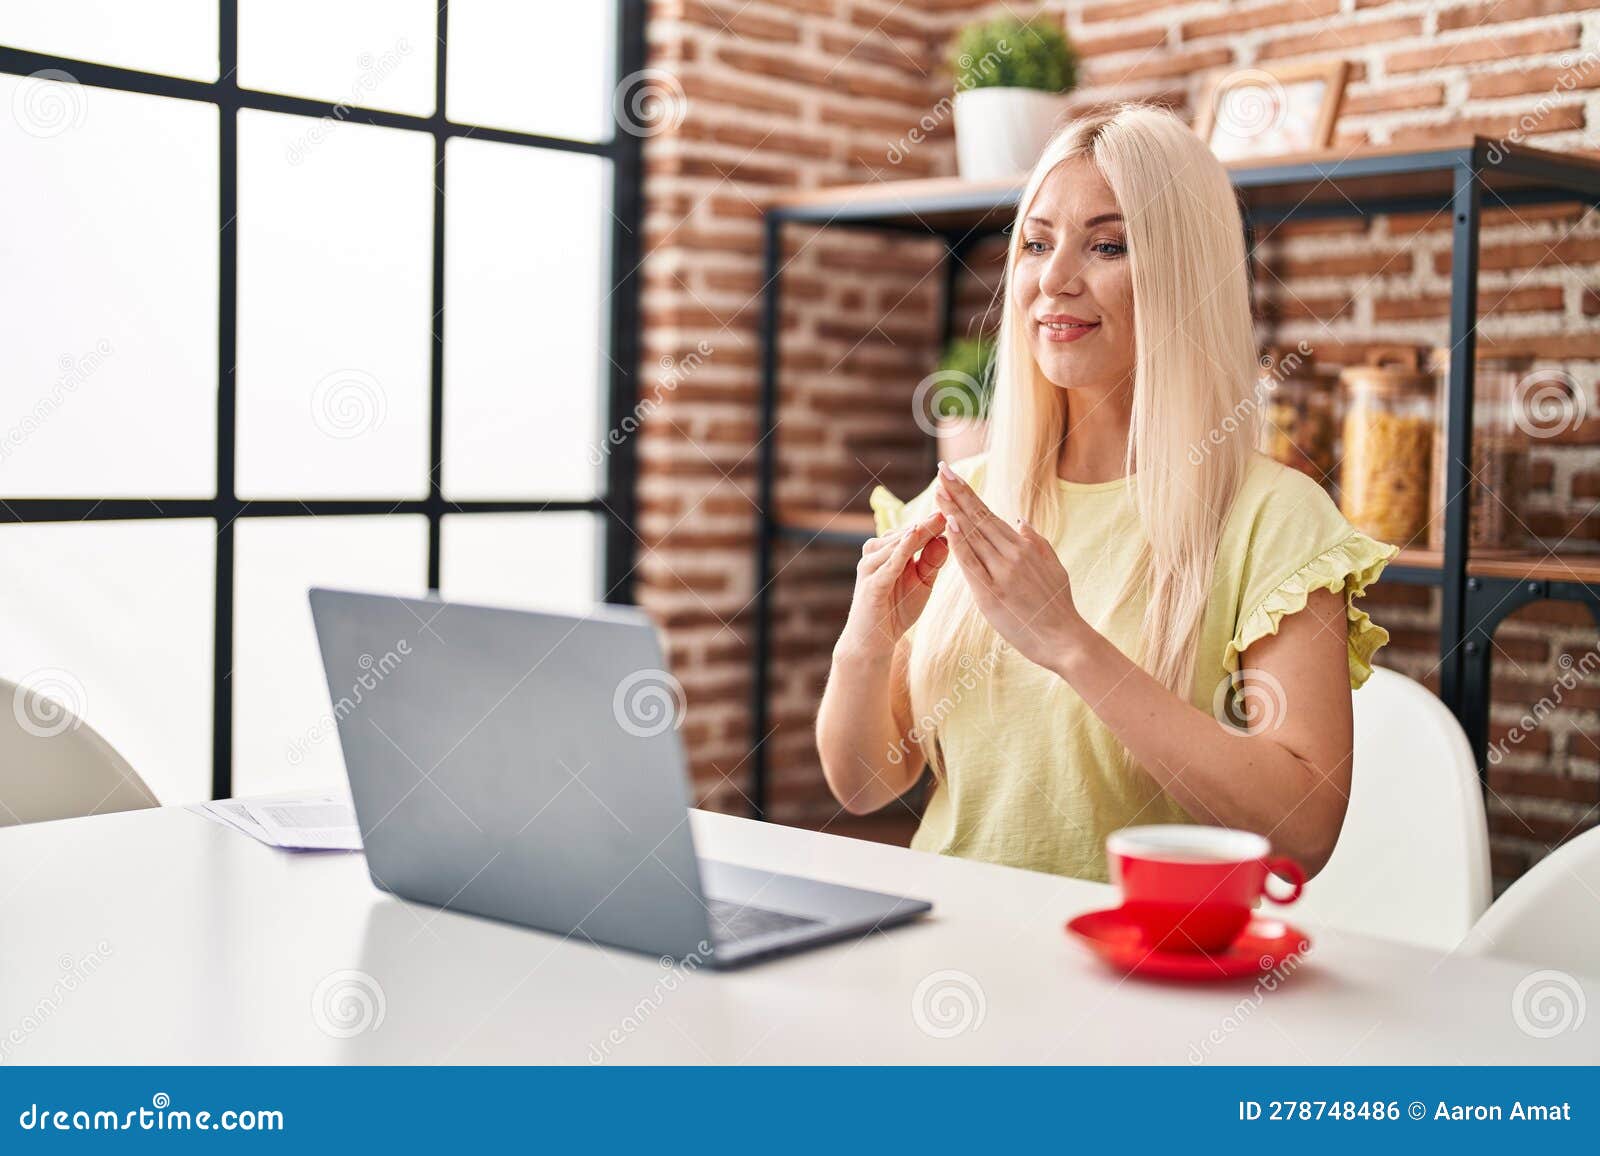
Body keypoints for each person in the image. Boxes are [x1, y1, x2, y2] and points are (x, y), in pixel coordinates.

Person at [814, 103, 1397, 883]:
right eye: (1036, 243)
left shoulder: (1273, 519)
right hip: (952, 937)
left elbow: (1305, 834)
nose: (1053, 280)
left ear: (1185, 276)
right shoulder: (964, 501)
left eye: (1108, 245)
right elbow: (863, 786)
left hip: (1154, 949)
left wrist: (1069, 643)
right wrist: (866, 639)